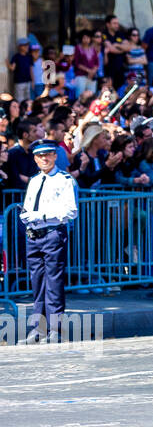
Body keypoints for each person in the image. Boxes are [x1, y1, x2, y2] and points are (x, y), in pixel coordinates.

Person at [21, 140, 78, 343]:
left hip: (52, 233)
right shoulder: (35, 181)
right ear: (35, 159)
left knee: (54, 282)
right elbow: (28, 207)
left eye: (48, 154)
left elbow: (71, 211)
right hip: (34, 236)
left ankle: (56, 329)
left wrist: (41, 216)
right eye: (40, 155)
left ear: (55, 156)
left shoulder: (64, 180)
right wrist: (27, 217)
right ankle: (39, 328)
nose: (44, 158)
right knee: (37, 284)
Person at [10, 35, 37, 102]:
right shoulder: (16, 56)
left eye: (27, 45)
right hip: (19, 82)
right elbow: (12, 68)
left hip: (28, 81)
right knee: (19, 100)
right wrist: (7, 63)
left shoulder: (29, 56)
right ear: (20, 46)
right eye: (25, 45)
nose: (27, 47)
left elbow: (31, 69)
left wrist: (33, 81)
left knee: (28, 100)